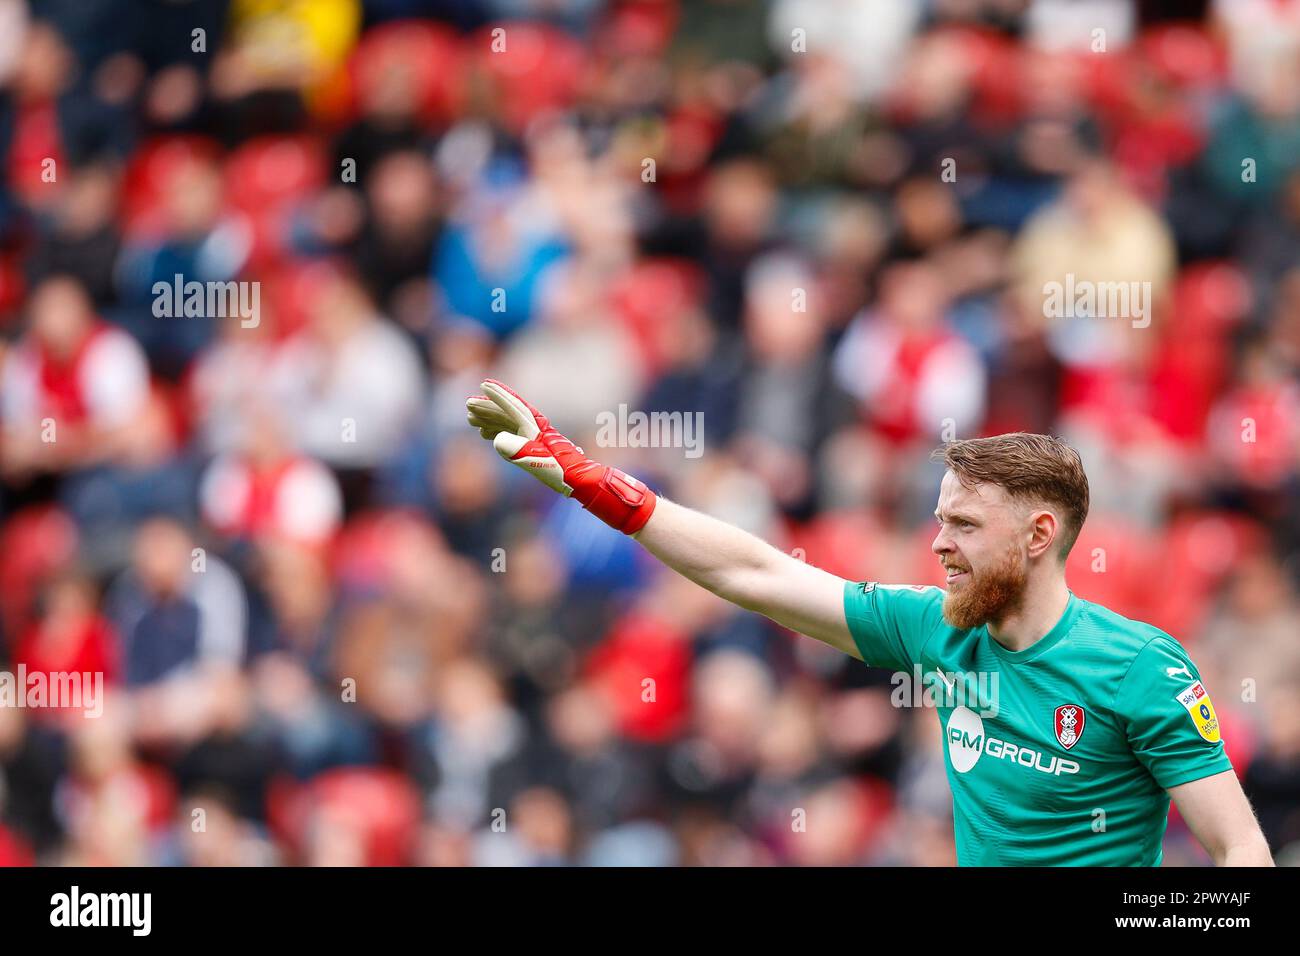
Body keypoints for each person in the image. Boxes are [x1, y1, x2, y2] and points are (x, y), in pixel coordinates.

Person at [466, 378, 1275, 866]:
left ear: (1039, 536)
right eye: (937, 519)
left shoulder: (1140, 667)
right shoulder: (934, 629)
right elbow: (756, 572)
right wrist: (594, 484)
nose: (938, 543)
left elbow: (1242, 852)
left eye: (963, 525)